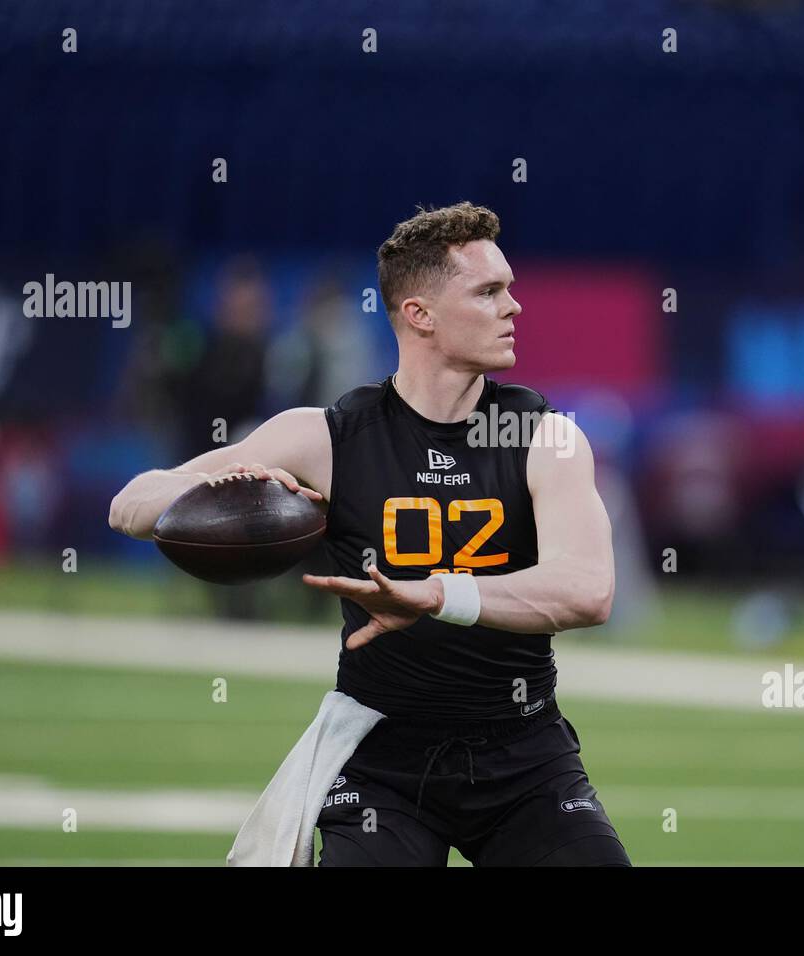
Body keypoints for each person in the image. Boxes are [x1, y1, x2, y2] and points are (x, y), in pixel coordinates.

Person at [108, 202, 630, 866]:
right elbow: (131, 504)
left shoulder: (544, 436)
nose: (514, 307)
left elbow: (589, 591)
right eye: (489, 291)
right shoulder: (327, 436)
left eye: (511, 288)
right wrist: (230, 484)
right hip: (384, 760)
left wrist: (439, 595)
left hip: (525, 755)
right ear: (420, 315)